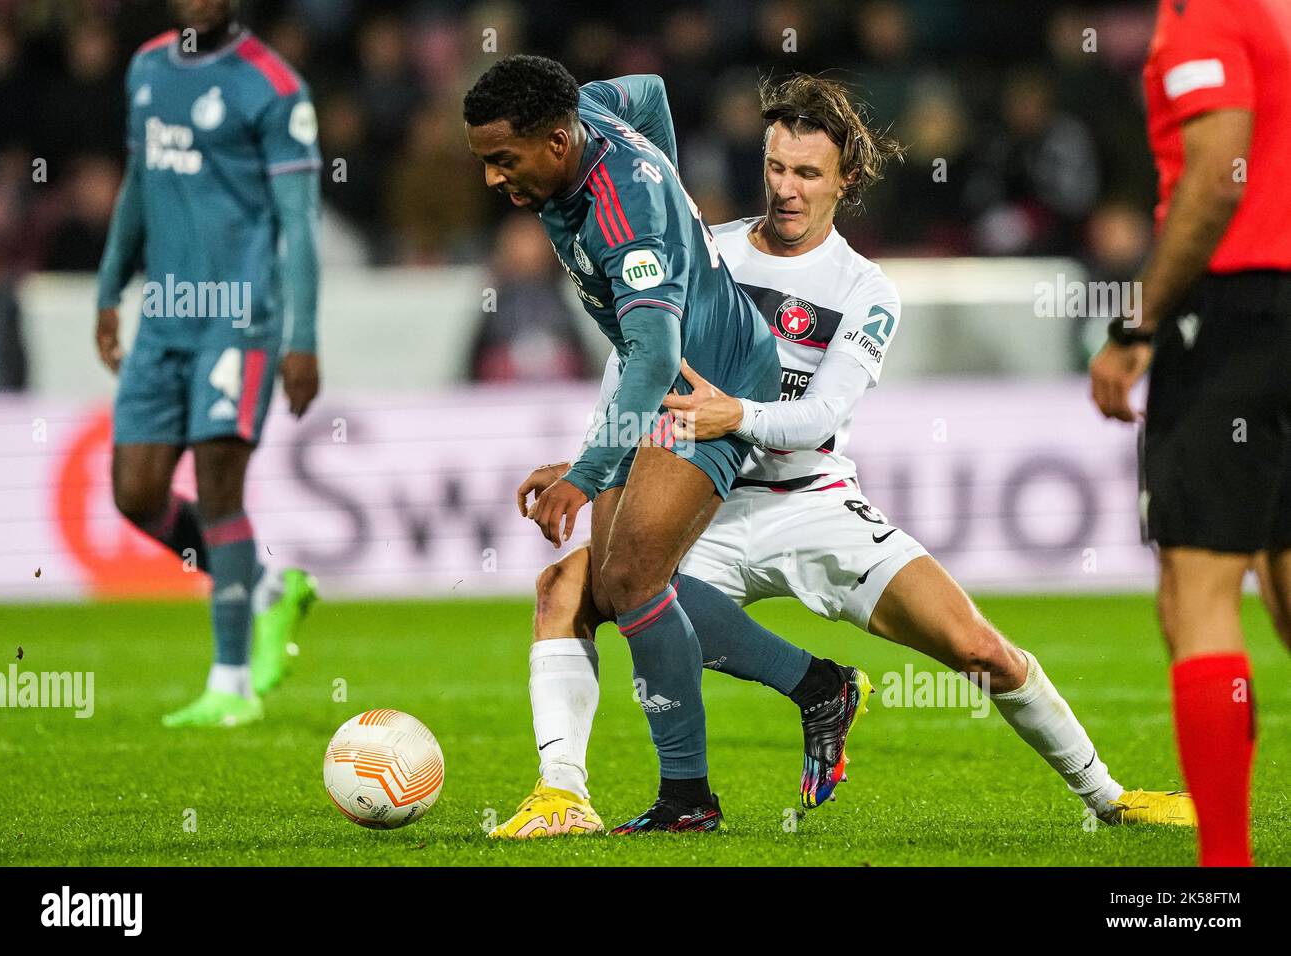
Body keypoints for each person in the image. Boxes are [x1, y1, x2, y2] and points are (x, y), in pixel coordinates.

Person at [496, 74, 1196, 839]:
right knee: (570, 585)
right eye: (775, 168)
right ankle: (564, 793)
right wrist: (586, 459)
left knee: (977, 648)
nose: (786, 190)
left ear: (845, 180)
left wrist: (741, 413)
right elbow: (637, 356)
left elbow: (826, 414)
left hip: (814, 502)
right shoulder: (713, 248)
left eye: (807, 174)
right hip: (706, 507)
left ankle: (1108, 794)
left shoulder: (866, 289)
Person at [465, 56, 865, 833]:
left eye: (502, 161)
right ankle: (816, 687)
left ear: (555, 142)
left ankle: (688, 799)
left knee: (635, 576)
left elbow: (651, 359)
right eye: (483, 159)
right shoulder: (585, 112)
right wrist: (680, 206)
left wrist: (586, 474)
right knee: (614, 586)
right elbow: (650, 88)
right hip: (662, 374)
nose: (491, 180)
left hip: (709, 381)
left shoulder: (626, 220)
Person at [1089, 0, 1291, 868]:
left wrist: (1138, 326)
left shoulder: (1207, 12)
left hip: (1241, 312)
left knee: (1197, 593)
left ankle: (1226, 879)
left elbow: (1217, 176)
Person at [94, 0, 320, 728]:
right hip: (161, 320)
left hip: (239, 320)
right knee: (136, 494)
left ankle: (231, 685)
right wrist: (109, 285)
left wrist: (302, 338)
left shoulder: (274, 87)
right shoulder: (148, 67)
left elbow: (299, 225)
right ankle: (265, 584)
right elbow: (139, 184)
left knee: (220, 491)